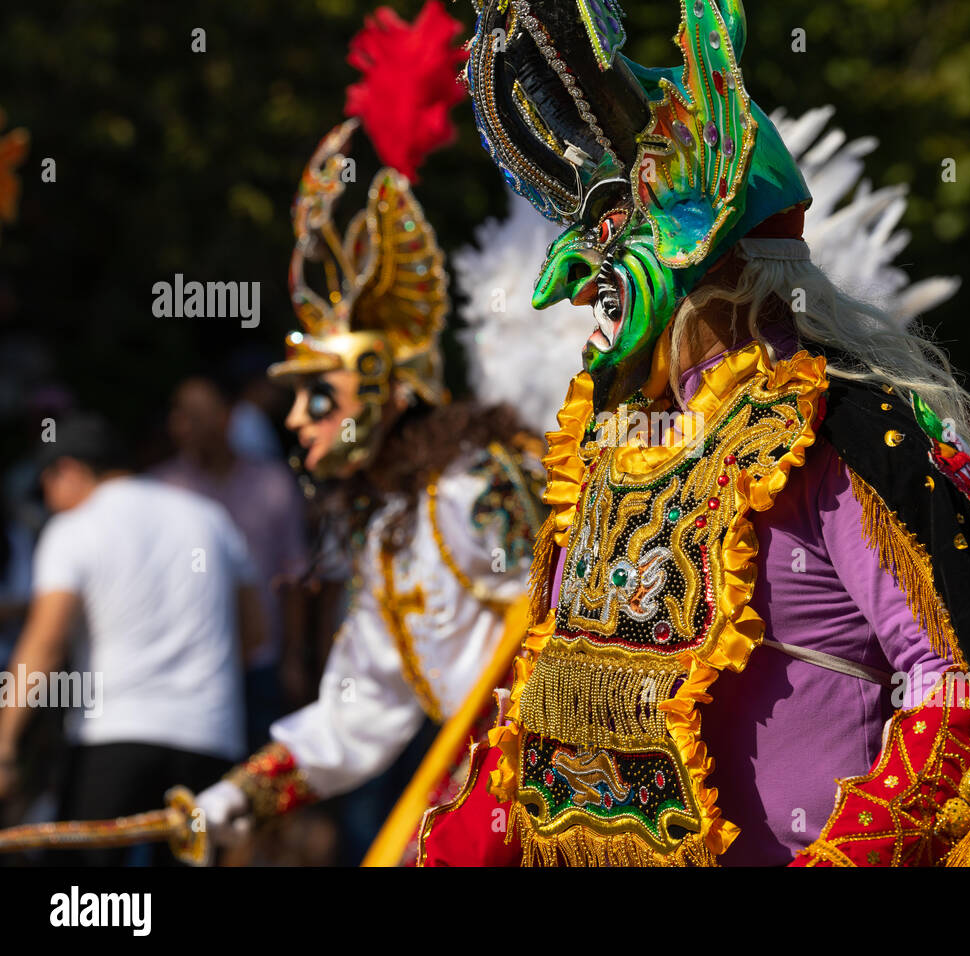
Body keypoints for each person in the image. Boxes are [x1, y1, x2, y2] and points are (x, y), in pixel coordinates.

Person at [419, 0, 970, 867]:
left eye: (618, 242)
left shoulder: (840, 430)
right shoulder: (609, 437)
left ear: (715, 258)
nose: (587, 286)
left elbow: (959, 689)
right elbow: (545, 691)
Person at [188, 3, 584, 867]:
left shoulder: (482, 485)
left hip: (558, 800)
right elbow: (360, 711)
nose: (296, 421)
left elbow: (573, 628)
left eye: (316, 396)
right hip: (483, 800)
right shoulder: (390, 532)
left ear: (380, 385)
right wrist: (231, 799)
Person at [0, 414, 260, 865]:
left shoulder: (74, 529)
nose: (47, 500)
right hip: (211, 736)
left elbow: (44, 643)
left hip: (112, 736)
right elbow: (257, 634)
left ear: (70, 471)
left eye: (47, 484)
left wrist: (5, 742)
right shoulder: (209, 518)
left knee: (84, 904)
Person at [153, 375, 308, 750]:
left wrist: (294, 658)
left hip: (260, 664)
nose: (182, 425)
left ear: (226, 418)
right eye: (178, 414)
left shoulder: (271, 483)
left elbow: (294, 577)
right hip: (186, 666)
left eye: (196, 415)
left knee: (259, 779)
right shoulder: (160, 489)